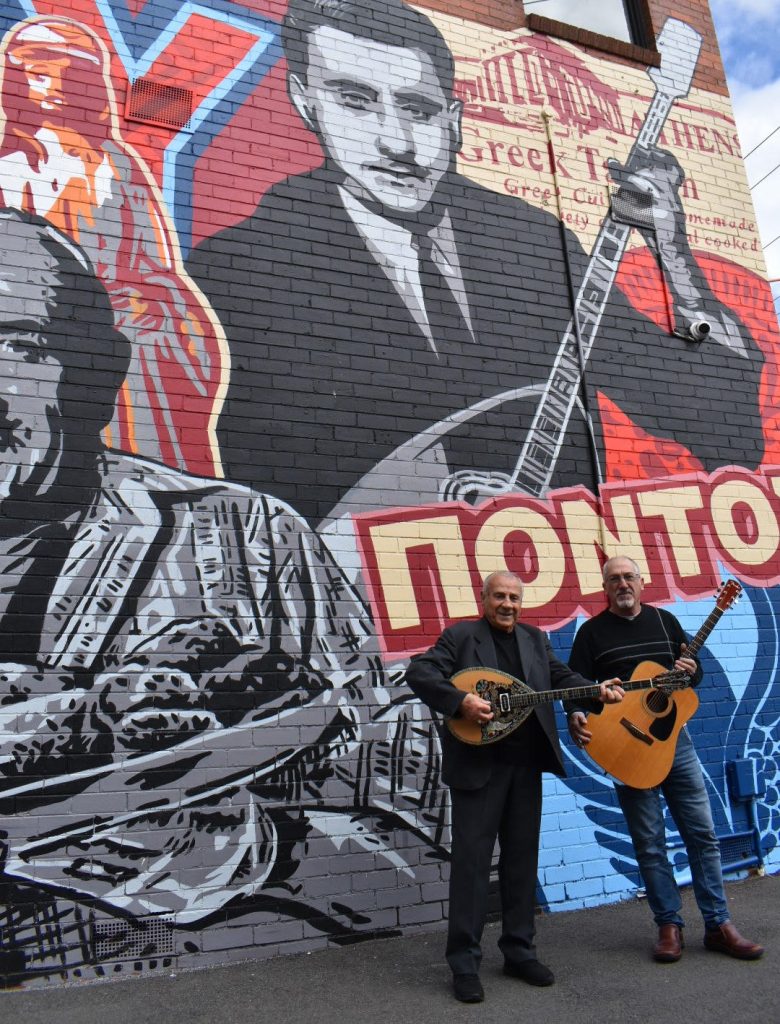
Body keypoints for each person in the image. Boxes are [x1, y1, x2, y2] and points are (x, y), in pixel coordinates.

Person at [0, 208, 445, 977]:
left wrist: (246, 853)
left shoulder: (246, 541)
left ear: (97, 373)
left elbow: (428, 861)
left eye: (19, 345)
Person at [187, 0, 765, 524]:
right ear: (305, 104)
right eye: (355, 101)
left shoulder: (535, 243)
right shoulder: (239, 269)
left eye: (418, 109)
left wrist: (672, 252)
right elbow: (259, 497)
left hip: (556, 600)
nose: (396, 143)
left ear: (455, 120)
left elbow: (724, 430)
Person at [0, 15, 225, 477]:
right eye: (40, 74)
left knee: (129, 358)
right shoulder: (7, 165)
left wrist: (151, 300)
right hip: (27, 328)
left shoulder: (117, 165)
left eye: (70, 74)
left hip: (114, 327)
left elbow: (158, 267)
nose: (54, 87)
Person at [404, 570, 623, 1003]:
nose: (508, 604)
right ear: (483, 598)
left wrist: (595, 691)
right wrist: (460, 700)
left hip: (525, 767)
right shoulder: (461, 636)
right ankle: (464, 963)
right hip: (479, 768)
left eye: (514, 598)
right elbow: (420, 672)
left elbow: (560, 679)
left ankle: (519, 950)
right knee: (471, 866)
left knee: (521, 862)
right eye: (500, 596)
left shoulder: (534, 639)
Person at [566, 555, 764, 963]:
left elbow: (692, 680)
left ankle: (718, 924)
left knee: (703, 835)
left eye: (628, 577)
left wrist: (691, 670)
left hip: (676, 745)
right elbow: (575, 686)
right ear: (604, 588)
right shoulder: (591, 634)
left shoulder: (664, 622)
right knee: (650, 843)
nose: (622, 584)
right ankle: (668, 925)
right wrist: (576, 712)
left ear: (642, 582)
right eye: (614, 579)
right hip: (625, 748)